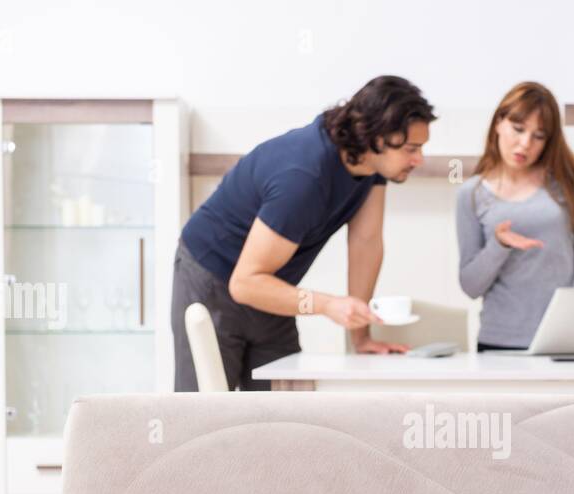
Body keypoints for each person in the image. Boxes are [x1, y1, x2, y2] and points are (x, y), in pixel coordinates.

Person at [171, 76, 436, 390]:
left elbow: (366, 242)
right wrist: (328, 305)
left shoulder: (370, 167)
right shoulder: (302, 176)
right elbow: (244, 284)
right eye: (411, 149)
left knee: (285, 415)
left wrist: (361, 337)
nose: (419, 159)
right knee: (206, 416)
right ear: (377, 138)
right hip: (211, 278)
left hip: (270, 284)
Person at [455, 82, 574, 350]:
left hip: (562, 338)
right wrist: (498, 245)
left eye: (539, 136)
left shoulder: (569, 183)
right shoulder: (471, 194)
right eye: (518, 129)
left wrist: (570, 311)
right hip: (498, 341)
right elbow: (470, 286)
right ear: (499, 123)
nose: (525, 144)